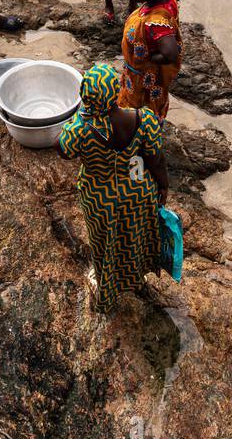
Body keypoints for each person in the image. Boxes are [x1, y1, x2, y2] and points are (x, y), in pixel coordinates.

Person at [58, 63, 169, 313]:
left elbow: (62, 149)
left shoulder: (80, 129)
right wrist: (163, 186)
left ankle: (107, 291)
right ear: (114, 92)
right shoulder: (144, 119)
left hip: (100, 198)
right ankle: (135, 279)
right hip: (138, 192)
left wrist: (81, 116)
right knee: (134, 237)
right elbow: (155, 159)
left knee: (105, 244)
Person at [119, 0, 182, 120]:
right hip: (142, 73)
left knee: (141, 110)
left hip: (145, 77)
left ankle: (142, 133)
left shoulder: (156, 21)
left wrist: (150, 59)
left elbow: (171, 54)